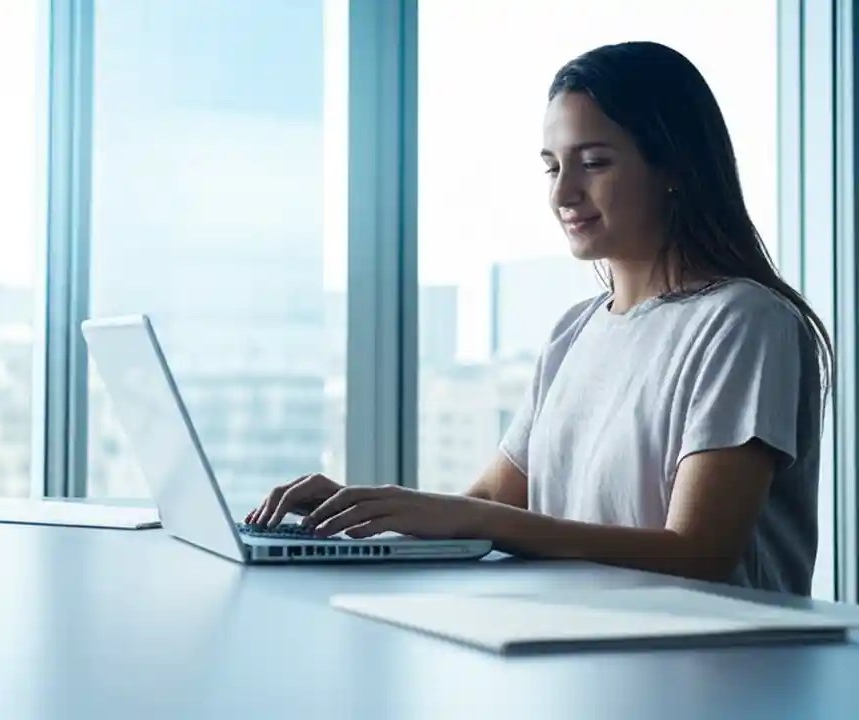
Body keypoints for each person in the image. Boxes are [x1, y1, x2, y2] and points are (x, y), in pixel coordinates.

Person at [247, 41, 832, 596]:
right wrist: (359, 516)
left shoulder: (744, 322)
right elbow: (489, 502)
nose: (563, 194)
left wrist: (473, 518)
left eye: (593, 163)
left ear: (674, 167)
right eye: (552, 167)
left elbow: (700, 553)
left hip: (714, 658)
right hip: (585, 646)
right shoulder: (575, 331)